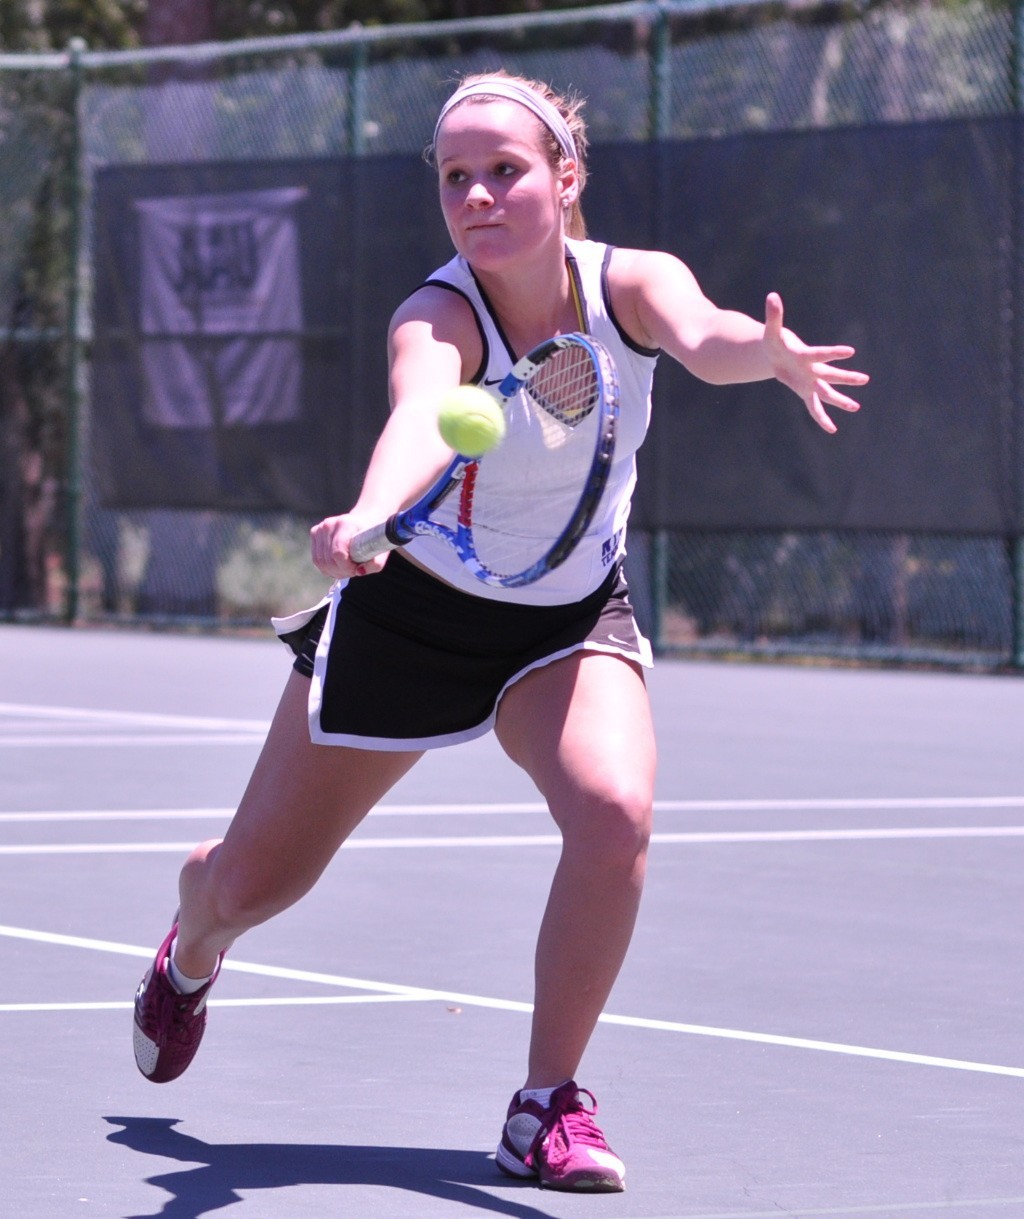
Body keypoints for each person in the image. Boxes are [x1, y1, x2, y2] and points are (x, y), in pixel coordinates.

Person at [132, 70, 868, 1193]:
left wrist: (761, 354)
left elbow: (705, 334)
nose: (476, 195)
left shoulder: (630, 283)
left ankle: (546, 1102)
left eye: (504, 171)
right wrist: (372, 514)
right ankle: (194, 941)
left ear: (565, 178)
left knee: (613, 809)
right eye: (455, 178)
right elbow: (423, 412)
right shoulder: (436, 315)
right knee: (252, 885)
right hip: (412, 617)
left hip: (566, 616)